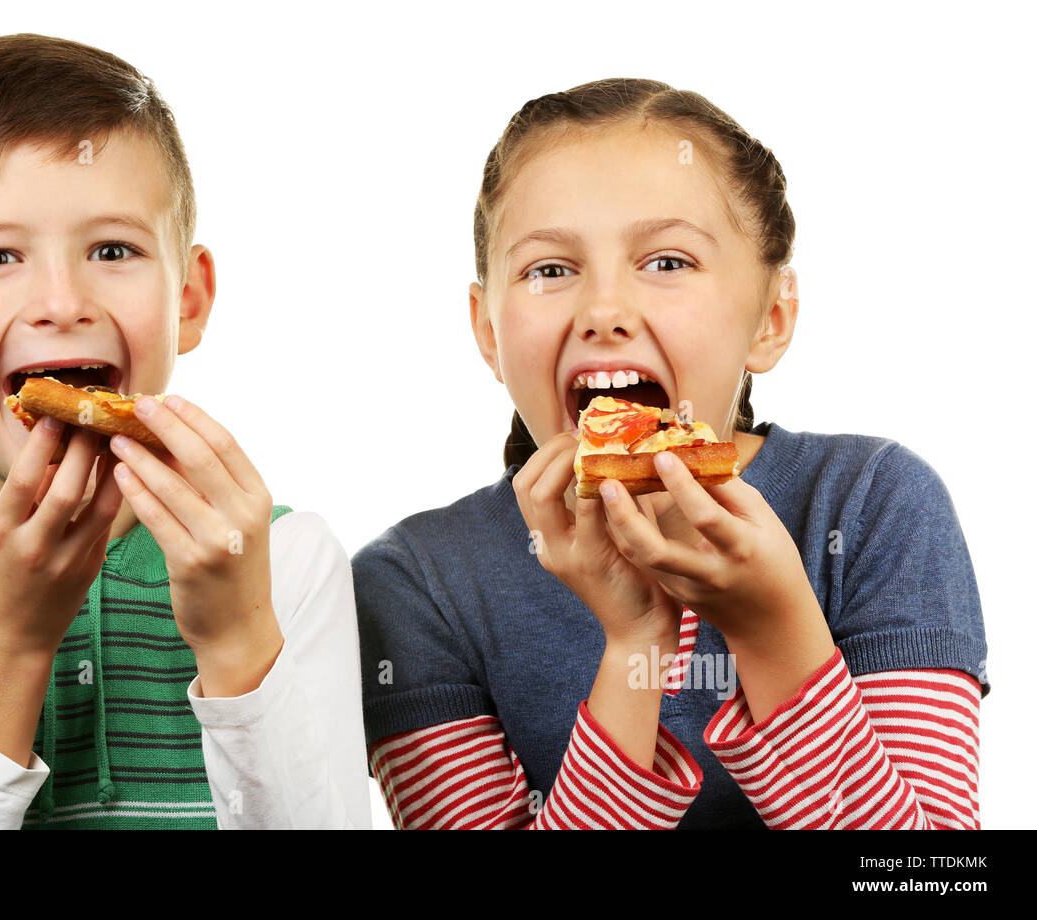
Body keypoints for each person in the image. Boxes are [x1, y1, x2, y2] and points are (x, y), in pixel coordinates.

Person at [352, 78, 986, 829]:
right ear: (487, 331)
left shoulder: (875, 506)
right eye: (550, 270)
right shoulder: (414, 582)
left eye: (668, 262)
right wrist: (633, 647)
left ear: (771, 317)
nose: (604, 312)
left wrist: (772, 627)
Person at [0, 33, 367, 829]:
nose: (62, 301)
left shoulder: (285, 563)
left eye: (113, 249)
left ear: (188, 297)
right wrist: (7, 643)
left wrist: (238, 642)